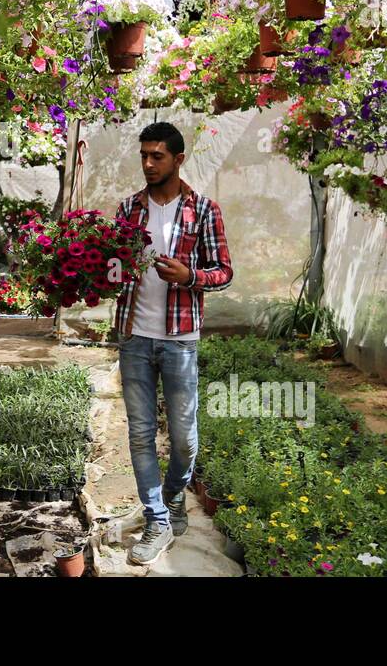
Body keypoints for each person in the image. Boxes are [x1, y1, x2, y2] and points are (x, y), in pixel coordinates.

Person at [113, 121, 233, 566]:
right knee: (141, 433)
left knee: (184, 440)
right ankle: (157, 518)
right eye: (143, 155)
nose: (147, 163)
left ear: (178, 159)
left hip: (180, 339)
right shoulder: (128, 209)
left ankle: (172, 495)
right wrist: (93, 271)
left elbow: (224, 270)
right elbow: (113, 266)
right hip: (135, 337)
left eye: (157, 156)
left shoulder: (203, 211)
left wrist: (192, 277)